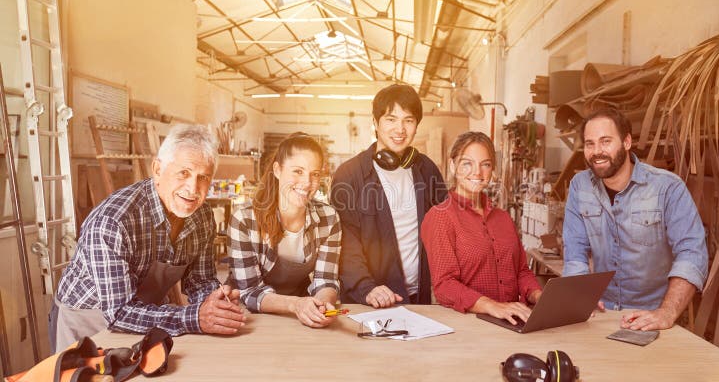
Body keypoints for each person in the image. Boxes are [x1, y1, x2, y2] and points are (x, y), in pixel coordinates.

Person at [53, 124, 245, 353]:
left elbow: (201, 281)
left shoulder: (201, 216)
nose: (193, 188)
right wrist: (195, 317)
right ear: (157, 170)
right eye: (183, 173)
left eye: (203, 177)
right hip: (87, 320)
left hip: (146, 314)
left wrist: (215, 302)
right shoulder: (114, 221)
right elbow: (119, 314)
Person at [562, 107, 708, 331]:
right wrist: (580, 298)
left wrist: (666, 313)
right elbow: (575, 250)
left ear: (627, 142)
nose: (596, 151)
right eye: (590, 144)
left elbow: (692, 254)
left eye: (606, 141)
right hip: (601, 315)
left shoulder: (667, 187)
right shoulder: (580, 186)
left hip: (652, 317)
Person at [331, 84, 447, 308]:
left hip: (417, 299)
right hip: (367, 301)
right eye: (391, 119)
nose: (400, 129)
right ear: (375, 122)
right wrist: (367, 288)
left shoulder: (426, 169)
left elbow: (445, 228)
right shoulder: (349, 176)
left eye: (408, 120)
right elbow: (345, 244)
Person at [421, 132, 543, 324]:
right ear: (453, 166)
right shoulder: (440, 216)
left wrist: (538, 296)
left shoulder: (502, 218)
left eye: (485, 164)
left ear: (492, 170)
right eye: (467, 163)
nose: (477, 173)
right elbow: (445, 286)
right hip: (470, 326)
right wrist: (492, 306)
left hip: (512, 322)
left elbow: (521, 272)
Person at [228, 133, 341, 328]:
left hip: (299, 317)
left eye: (314, 174)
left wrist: (323, 305)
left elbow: (326, 280)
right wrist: (295, 305)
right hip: (249, 317)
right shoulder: (245, 220)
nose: (307, 183)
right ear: (277, 170)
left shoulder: (328, 218)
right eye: (297, 171)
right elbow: (250, 291)